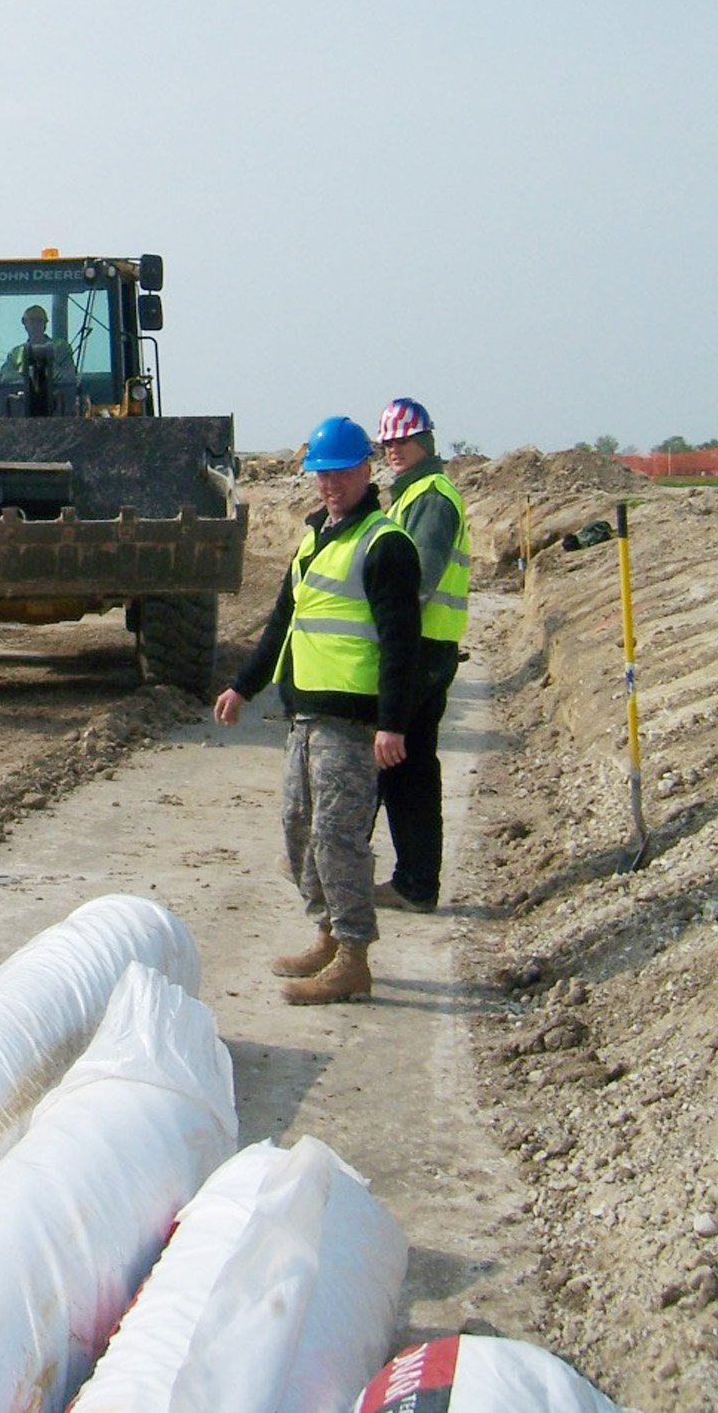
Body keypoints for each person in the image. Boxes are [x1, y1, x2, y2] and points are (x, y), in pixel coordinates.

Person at [212, 416, 420, 1005]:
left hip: (354, 723)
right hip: (305, 717)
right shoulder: (315, 539)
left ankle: (354, 956)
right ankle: (326, 933)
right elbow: (283, 623)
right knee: (299, 829)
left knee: (338, 837)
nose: (330, 485)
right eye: (321, 475)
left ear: (366, 470)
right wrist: (243, 687)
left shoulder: (385, 545)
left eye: (340, 473)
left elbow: (402, 643)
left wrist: (393, 722)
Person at [371, 397, 471, 914]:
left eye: (402, 443)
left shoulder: (430, 498)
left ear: (425, 443)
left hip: (419, 648)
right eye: (388, 444)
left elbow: (418, 581)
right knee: (409, 768)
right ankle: (414, 882)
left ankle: (389, 877)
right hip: (429, 647)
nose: (393, 452)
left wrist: (387, 627)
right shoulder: (413, 494)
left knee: (391, 761)